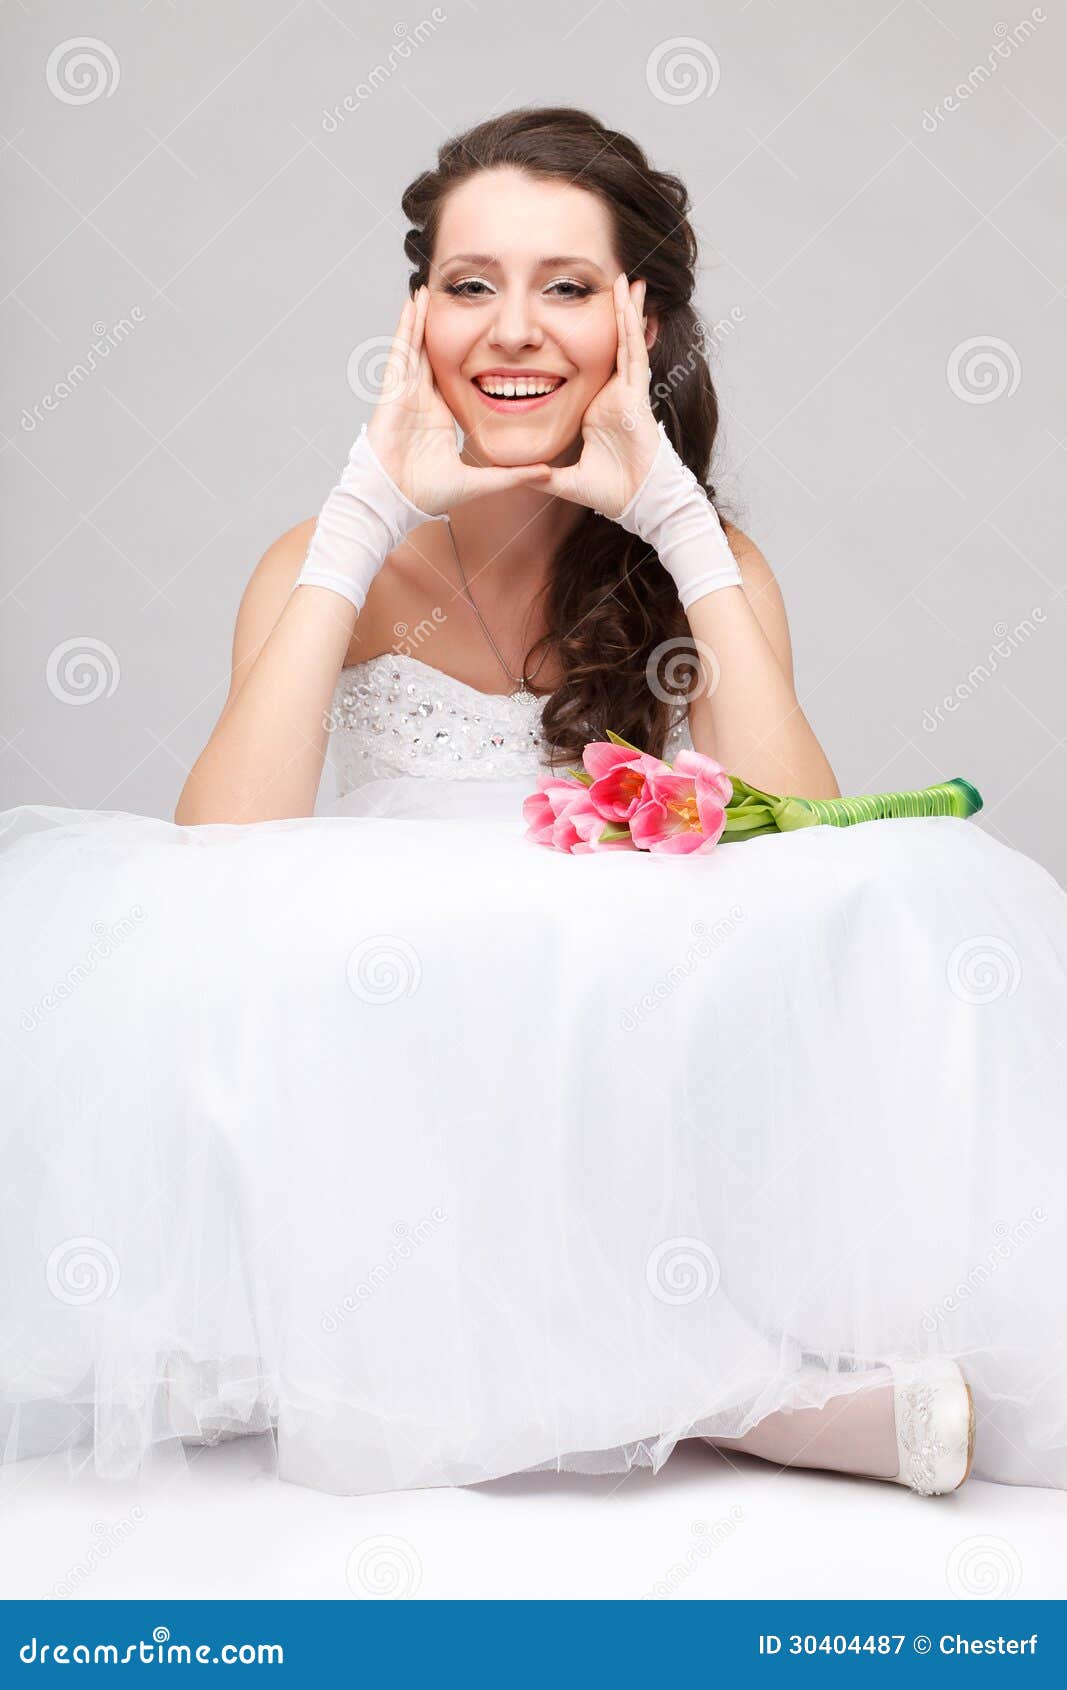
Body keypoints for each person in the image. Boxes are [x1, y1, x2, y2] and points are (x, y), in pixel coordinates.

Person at [1, 109, 1062, 1500]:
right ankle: (725, 1401)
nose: (513, 329)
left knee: (911, 874)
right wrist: (356, 520)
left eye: (566, 287)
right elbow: (214, 865)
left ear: (643, 323)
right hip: (391, 1034)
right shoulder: (338, 564)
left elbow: (816, 848)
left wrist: (677, 524)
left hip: (619, 1044)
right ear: (417, 321)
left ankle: (641, 1374)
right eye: (469, 285)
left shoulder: (699, 559)